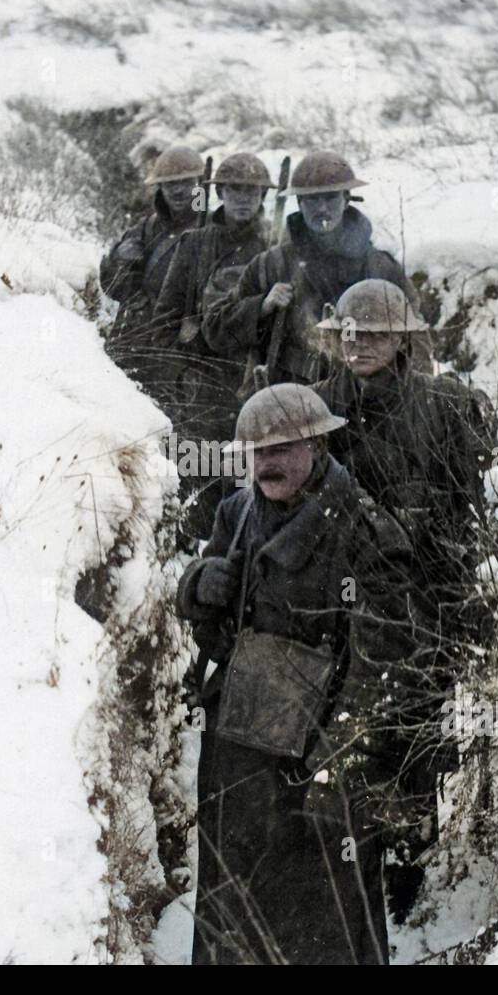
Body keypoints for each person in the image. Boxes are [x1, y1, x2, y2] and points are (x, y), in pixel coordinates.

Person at [177, 383, 423, 964]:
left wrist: (336, 766)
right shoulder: (236, 514)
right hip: (241, 751)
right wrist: (199, 588)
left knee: (326, 923)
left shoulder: (366, 531)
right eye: (257, 450)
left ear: (316, 444)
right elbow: (216, 637)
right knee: (234, 913)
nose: (268, 462)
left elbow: (384, 664)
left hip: (317, 758)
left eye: (282, 447)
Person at [312, 278, 498, 920]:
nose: (361, 344)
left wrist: (453, 603)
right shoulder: (315, 409)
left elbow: (463, 510)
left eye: (378, 334)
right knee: (338, 737)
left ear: (404, 342)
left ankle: (406, 866)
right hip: (343, 605)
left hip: (421, 599)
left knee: (415, 734)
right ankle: (342, 864)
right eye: (351, 333)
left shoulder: (443, 408)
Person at [202, 150, 433, 388]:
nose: (321, 208)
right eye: (312, 199)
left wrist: (418, 398)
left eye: (330, 197)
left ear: (346, 199)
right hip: (293, 400)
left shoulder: (380, 267)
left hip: (369, 400)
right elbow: (215, 330)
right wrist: (261, 306)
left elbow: (415, 336)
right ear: (300, 203)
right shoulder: (272, 265)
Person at [151, 152, 276, 546]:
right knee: (196, 477)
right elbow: (164, 322)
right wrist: (178, 376)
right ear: (219, 191)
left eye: (252, 191)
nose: (243, 199)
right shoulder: (194, 244)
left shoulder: (274, 250)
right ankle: (186, 557)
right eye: (235, 190)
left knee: (246, 476)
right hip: (200, 383)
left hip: (251, 382)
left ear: (262, 197)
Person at [98, 144, 206, 399]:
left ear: (199, 183)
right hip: (134, 344)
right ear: (160, 188)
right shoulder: (147, 228)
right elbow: (114, 288)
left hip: (181, 353)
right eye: (169, 184)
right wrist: (121, 259)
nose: (178, 190)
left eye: (186, 182)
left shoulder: (213, 230)